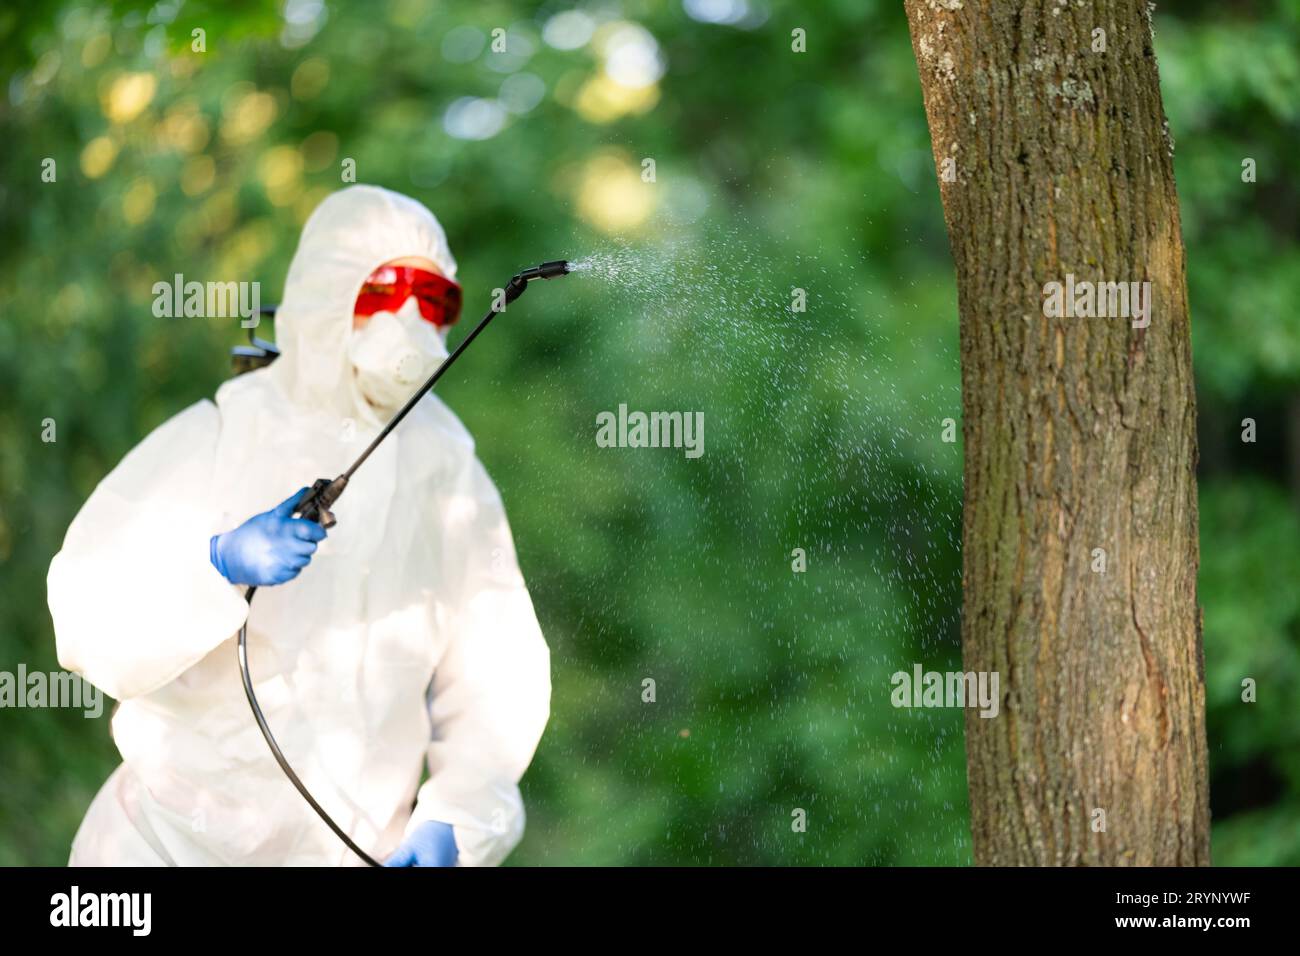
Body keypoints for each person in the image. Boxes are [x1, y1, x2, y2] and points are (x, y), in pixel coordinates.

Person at [46, 185, 551, 866]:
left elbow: (498, 667)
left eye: (433, 301)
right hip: (164, 849)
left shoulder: (447, 467)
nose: (411, 319)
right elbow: (87, 615)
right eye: (385, 291)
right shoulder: (223, 433)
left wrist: (458, 819)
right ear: (326, 291)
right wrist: (215, 565)